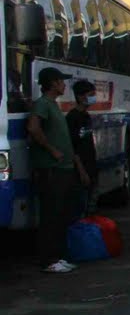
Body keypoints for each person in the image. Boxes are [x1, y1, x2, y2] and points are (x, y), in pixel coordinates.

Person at [26, 67, 89, 273]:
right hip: (51, 168)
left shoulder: (53, 104)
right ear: (52, 83)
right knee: (51, 215)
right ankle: (48, 260)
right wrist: (52, 150)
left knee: (61, 214)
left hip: (63, 168)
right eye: (61, 81)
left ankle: (58, 256)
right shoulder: (43, 104)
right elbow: (34, 128)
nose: (64, 85)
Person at [65, 78, 98, 217]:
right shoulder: (72, 118)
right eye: (90, 95)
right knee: (79, 209)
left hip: (90, 167)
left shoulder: (86, 116)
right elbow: (73, 147)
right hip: (80, 171)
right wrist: (82, 171)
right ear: (80, 96)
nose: (93, 98)